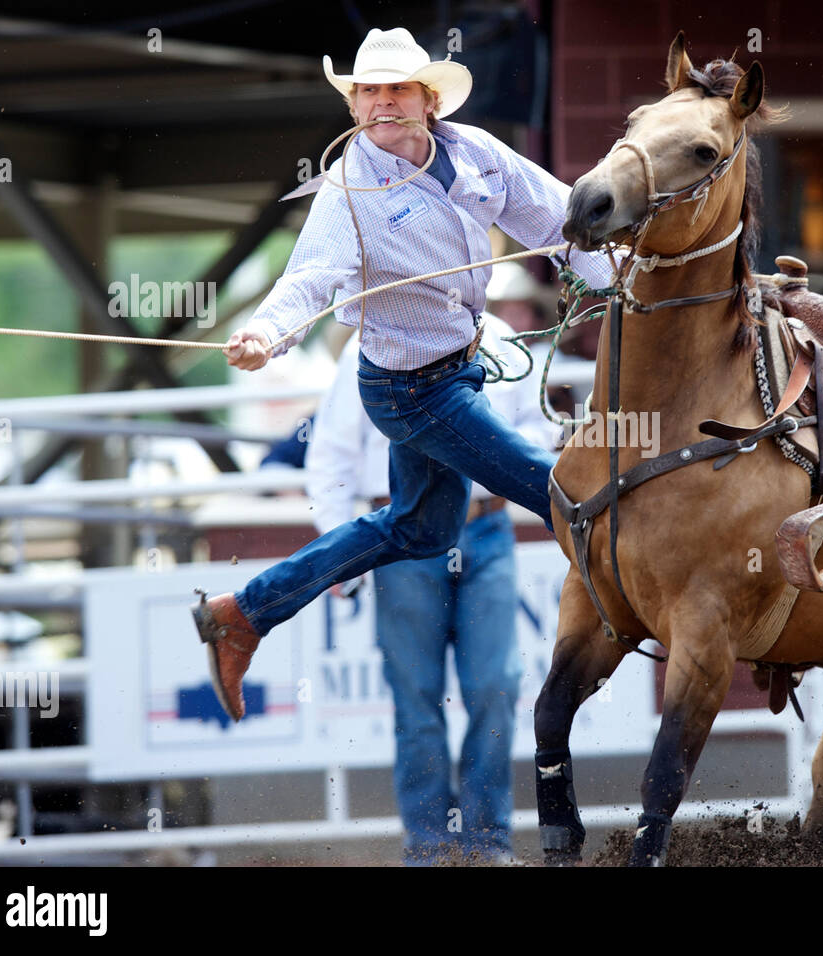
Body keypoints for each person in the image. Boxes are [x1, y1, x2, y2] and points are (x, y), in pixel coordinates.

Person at [191, 26, 610, 726]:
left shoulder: (475, 153)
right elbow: (310, 279)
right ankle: (655, 598)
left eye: (396, 89)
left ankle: (245, 613)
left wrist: (622, 278)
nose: (383, 102)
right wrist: (267, 334)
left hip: (456, 370)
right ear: (355, 107)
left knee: (419, 531)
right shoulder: (347, 191)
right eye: (370, 91)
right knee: (558, 493)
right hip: (411, 391)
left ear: (428, 101)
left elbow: (555, 218)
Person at [307, 316, 557, 864]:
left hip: (471, 528)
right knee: (419, 697)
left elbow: (539, 431)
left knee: (492, 686)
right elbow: (331, 453)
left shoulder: (493, 335)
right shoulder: (378, 342)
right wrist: (341, 556)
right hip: (419, 531)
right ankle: (434, 846)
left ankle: (479, 844)